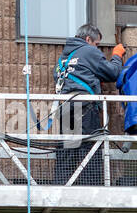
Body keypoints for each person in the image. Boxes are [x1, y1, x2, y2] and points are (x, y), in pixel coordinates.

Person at [52, 23, 126, 185]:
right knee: (90, 147)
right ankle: (90, 185)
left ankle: (63, 185)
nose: (97, 48)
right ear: (88, 39)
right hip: (85, 108)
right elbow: (112, 72)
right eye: (97, 44)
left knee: (68, 150)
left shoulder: (64, 58)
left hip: (66, 108)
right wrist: (116, 55)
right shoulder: (88, 51)